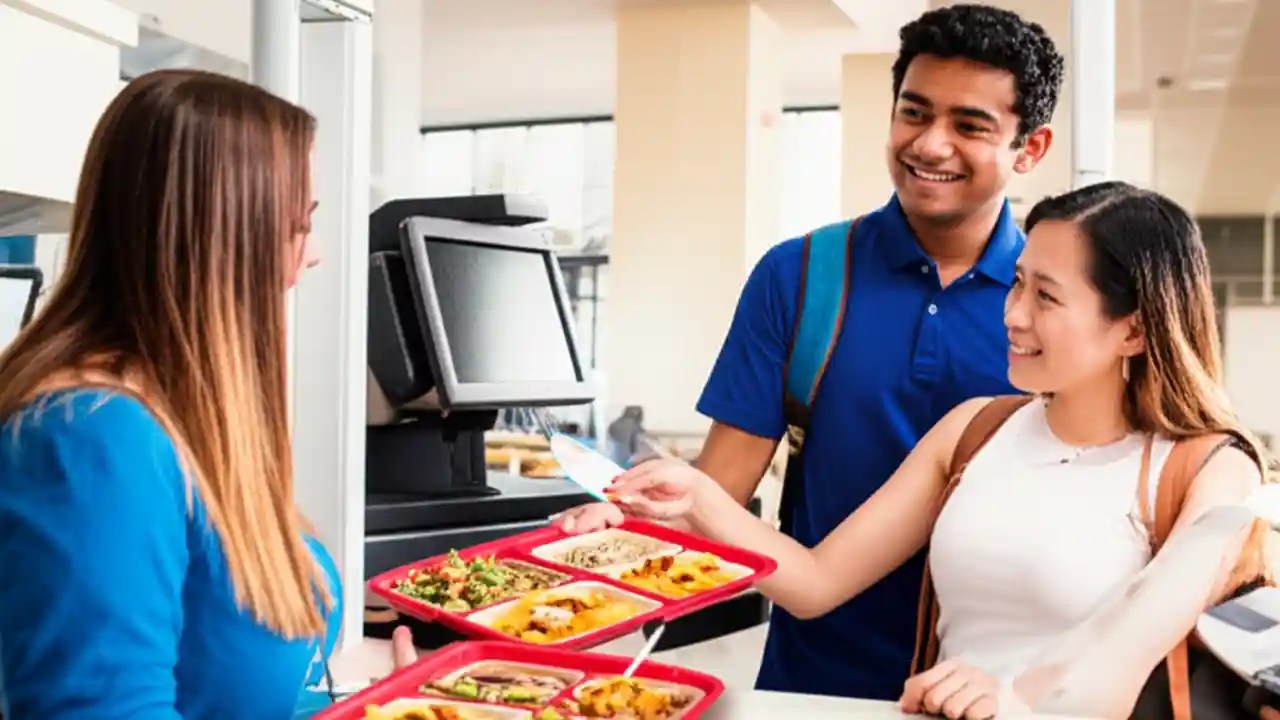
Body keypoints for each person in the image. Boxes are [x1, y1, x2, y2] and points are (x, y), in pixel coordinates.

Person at [558, 181, 1276, 719]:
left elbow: (1138, 633)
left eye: (1047, 298)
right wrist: (695, 505)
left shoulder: (1213, 468)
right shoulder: (976, 430)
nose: (1013, 315)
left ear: (1135, 330)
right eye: (1017, 282)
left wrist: (1015, 696)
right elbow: (814, 582)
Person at [569, 3, 1064, 701]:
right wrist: (606, 537)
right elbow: (718, 494)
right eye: (914, 113)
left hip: (997, 690)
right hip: (811, 681)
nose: (929, 144)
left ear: (1029, 149)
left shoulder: (1056, 305)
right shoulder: (800, 276)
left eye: (970, 125)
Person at [0, 69, 414, 719]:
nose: (316, 254)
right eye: (301, 223)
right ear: (231, 236)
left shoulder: (179, 415)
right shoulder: (92, 437)